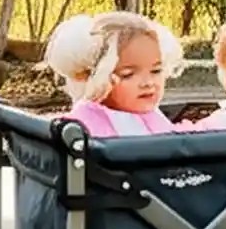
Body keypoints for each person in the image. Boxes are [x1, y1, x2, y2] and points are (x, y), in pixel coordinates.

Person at [46, 11, 185, 137]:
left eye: (156, 71)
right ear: (96, 77)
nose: (148, 83)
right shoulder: (83, 126)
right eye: (128, 74)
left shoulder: (152, 117)